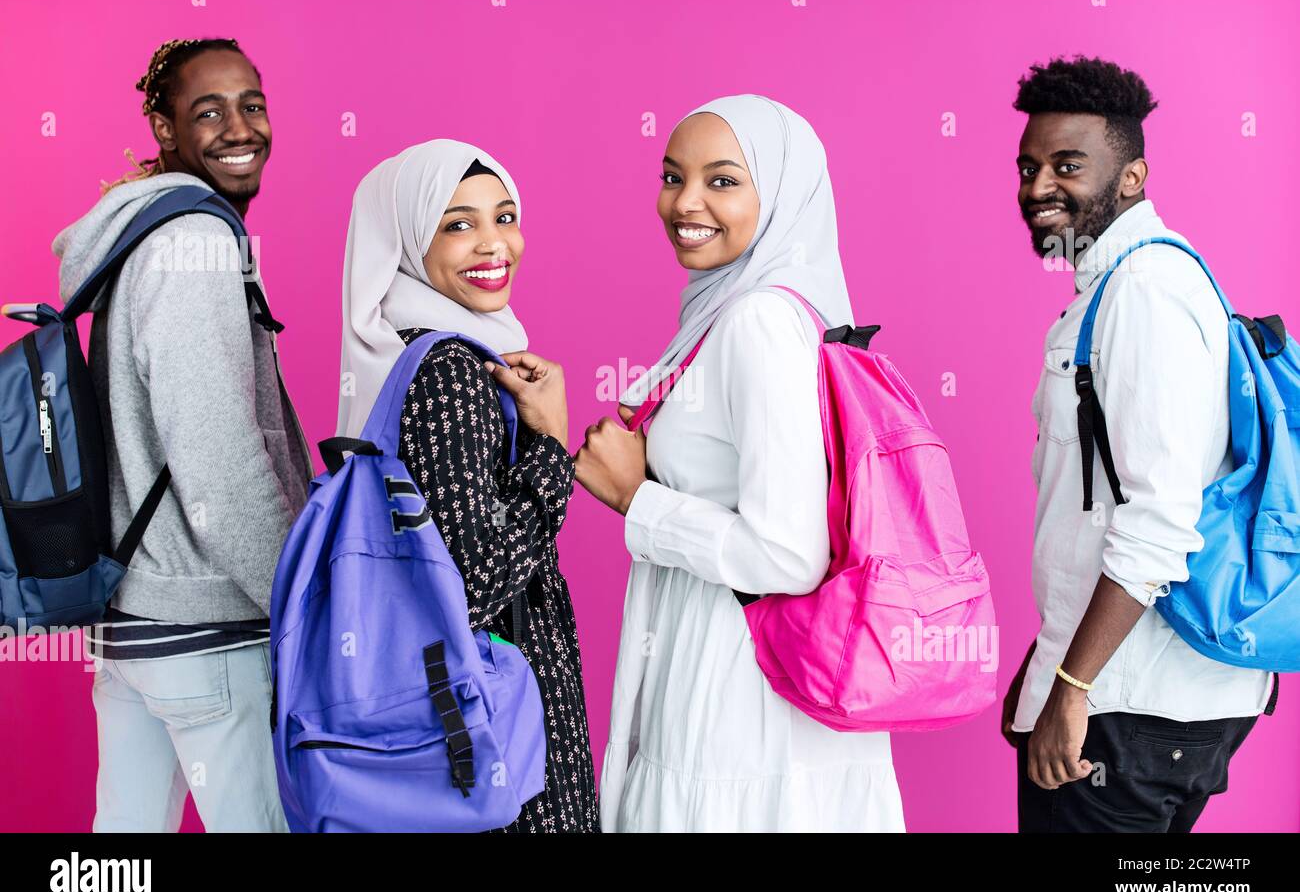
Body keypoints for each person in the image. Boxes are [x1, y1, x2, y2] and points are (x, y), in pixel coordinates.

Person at [578, 94, 906, 832]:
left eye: (723, 180)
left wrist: (639, 501)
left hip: (739, 679)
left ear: (782, 194)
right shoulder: (740, 310)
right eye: (672, 175)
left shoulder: (759, 320)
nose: (685, 201)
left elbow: (788, 553)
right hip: (749, 669)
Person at [1002, 55, 1277, 832]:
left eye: (1067, 164)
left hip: (1126, 706)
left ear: (1131, 176)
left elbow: (1158, 518)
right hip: (1137, 697)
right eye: (1028, 165)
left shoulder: (1145, 293)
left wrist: (1069, 685)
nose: (1037, 185)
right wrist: (1046, 669)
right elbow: (1090, 510)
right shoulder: (1122, 286)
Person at [55, 38, 312, 831]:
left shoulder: (139, 237)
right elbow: (217, 462)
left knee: (118, 859)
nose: (240, 127)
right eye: (209, 111)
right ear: (167, 131)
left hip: (134, 625)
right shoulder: (193, 242)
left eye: (252, 103)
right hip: (207, 634)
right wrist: (301, 593)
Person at [337, 139, 598, 833]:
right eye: (458, 224)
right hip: (493, 716)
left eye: (504, 216)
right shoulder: (451, 370)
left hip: (450, 711)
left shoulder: (401, 356)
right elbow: (476, 582)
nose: (493, 244)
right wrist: (549, 446)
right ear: (407, 240)